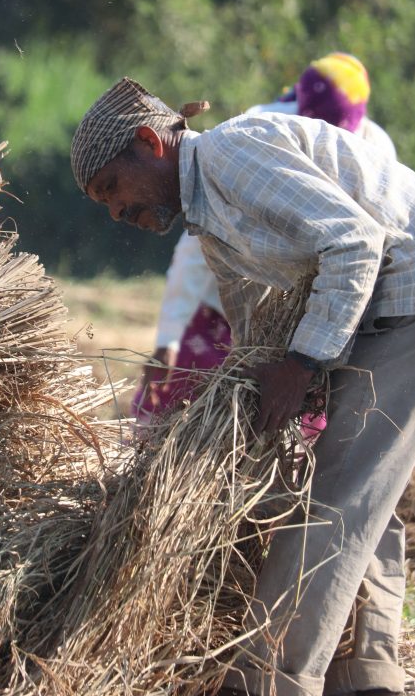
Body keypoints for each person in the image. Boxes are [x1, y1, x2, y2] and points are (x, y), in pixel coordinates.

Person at [69, 76, 415, 696]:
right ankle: (372, 690)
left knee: (336, 490)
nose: (116, 213)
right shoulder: (210, 218)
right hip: (394, 310)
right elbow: (260, 328)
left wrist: (304, 363)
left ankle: (268, 685)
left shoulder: (231, 155)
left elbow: (353, 242)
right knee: (368, 495)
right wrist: (237, 412)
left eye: (112, 188)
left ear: (149, 144)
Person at [133, 53, 396, 426]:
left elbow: (360, 244)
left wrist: (305, 358)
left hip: (323, 307)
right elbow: (196, 244)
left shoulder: (373, 147)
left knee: (313, 417)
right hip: (225, 303)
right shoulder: (253, 134)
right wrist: (170, 335)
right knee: (183, 399)